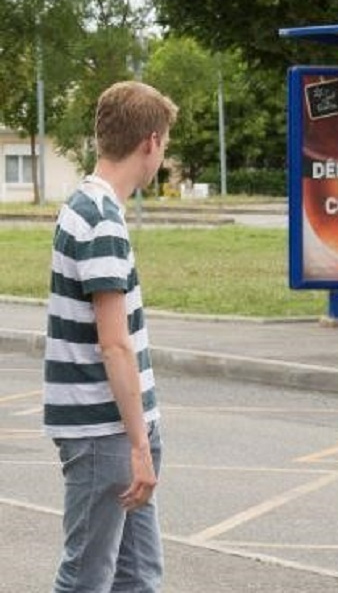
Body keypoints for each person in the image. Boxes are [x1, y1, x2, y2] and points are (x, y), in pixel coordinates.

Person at [43, 80, 178, 592]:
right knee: (87, 577)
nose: (161, 156)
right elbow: (114, 342)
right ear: (149, 141)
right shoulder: (100, 222)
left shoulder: (86, 206)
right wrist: (140, 446)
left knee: (139, 576)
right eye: (164, 145)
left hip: (116, 426)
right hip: (105, 431)